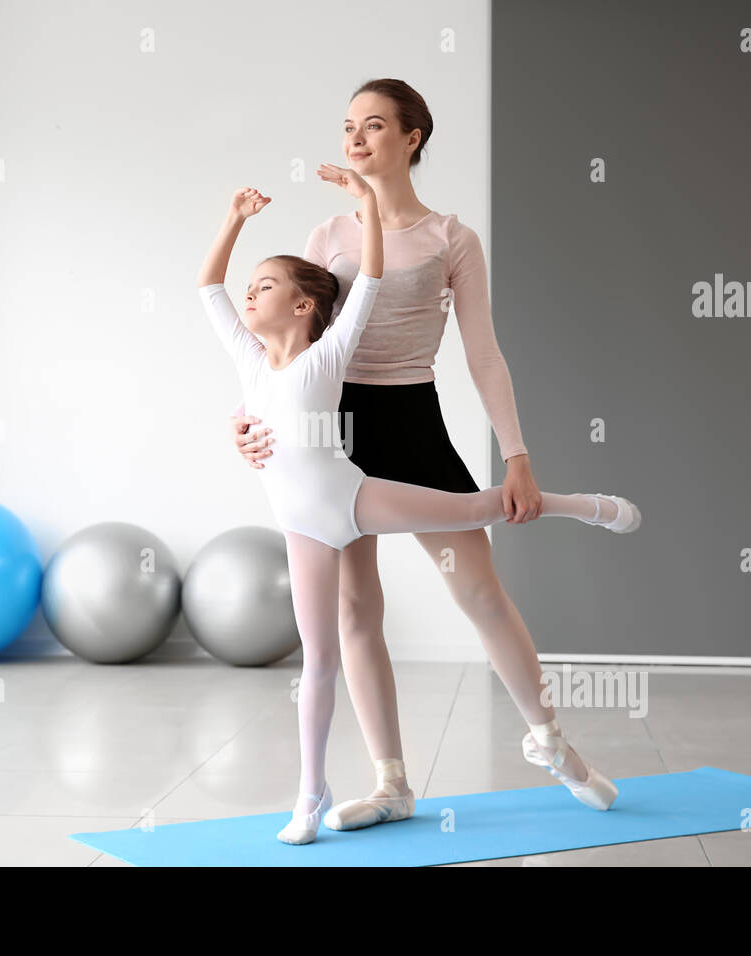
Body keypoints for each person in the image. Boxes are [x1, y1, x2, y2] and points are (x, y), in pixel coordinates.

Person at [223, 79, 640, 839]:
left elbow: (482, 352)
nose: (355, 138)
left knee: (479, 594)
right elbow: (283, 354)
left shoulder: (451, 239)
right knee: (355, 610)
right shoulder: (327, 237)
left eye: (374, 125)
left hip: (413, 423)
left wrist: (515, 454)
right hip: (333, 432)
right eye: (349, 125)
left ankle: (548, 739)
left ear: (413, 137)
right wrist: (248, 427)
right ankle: (390, 784)